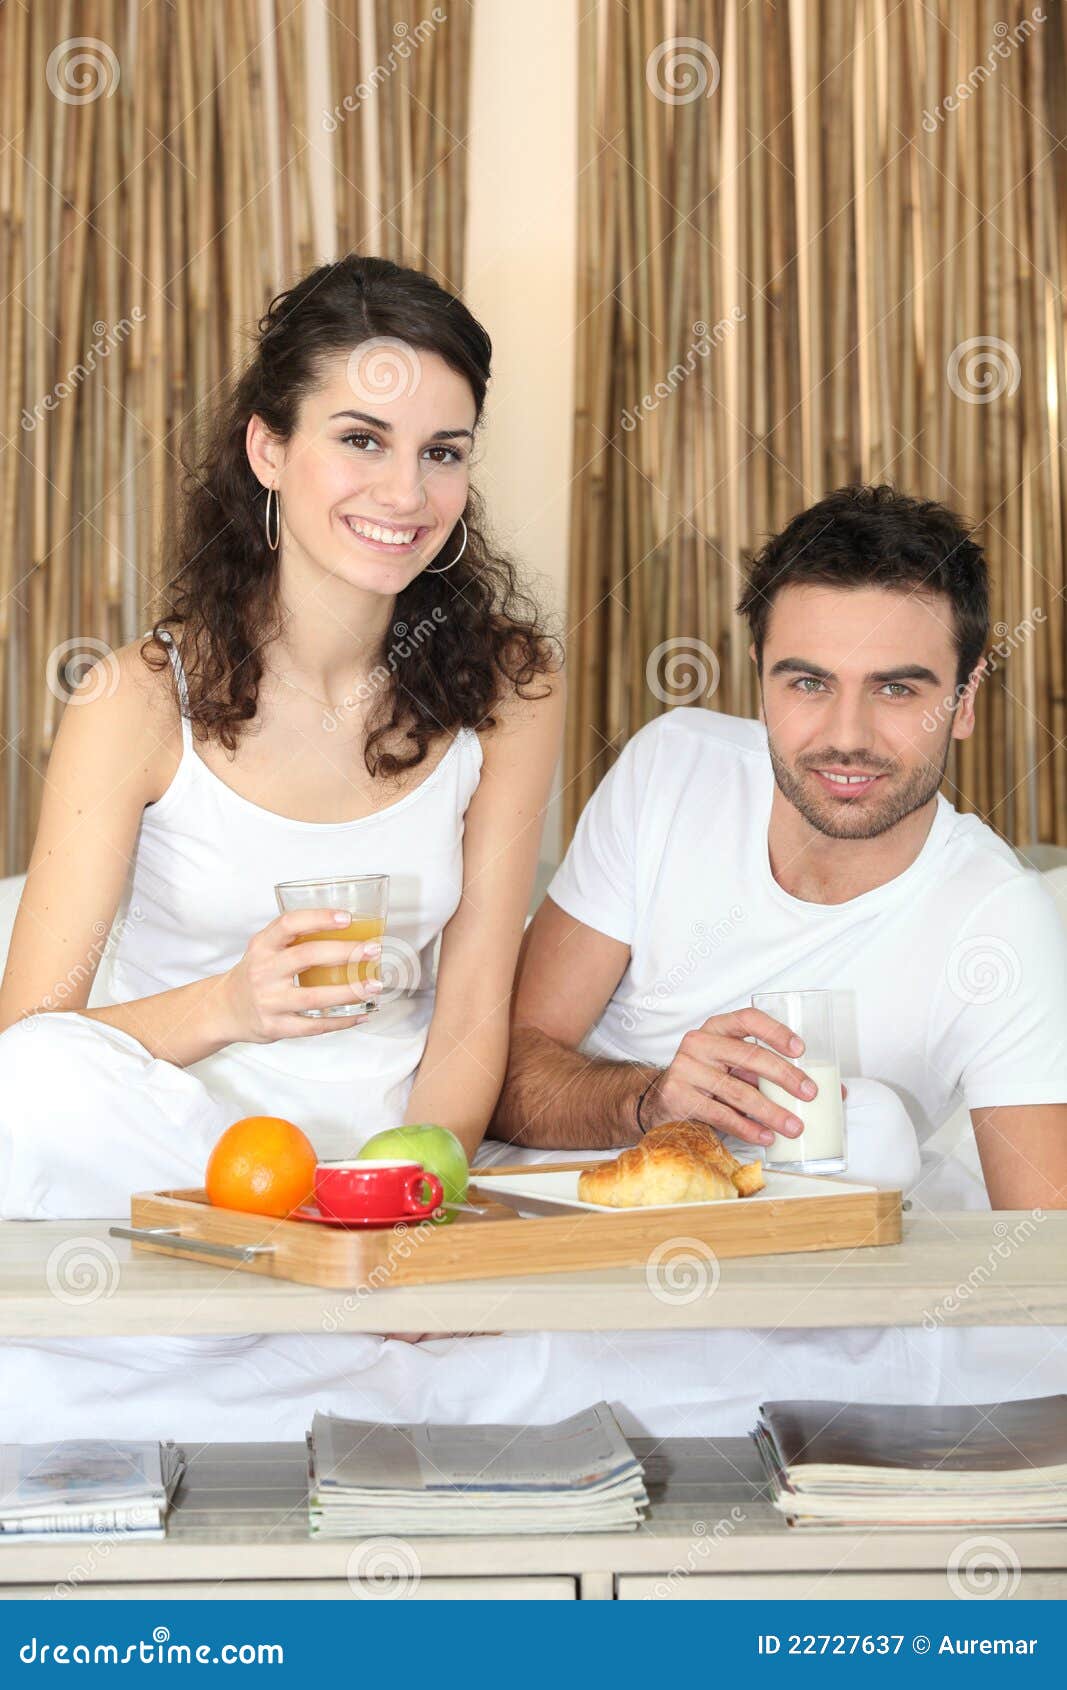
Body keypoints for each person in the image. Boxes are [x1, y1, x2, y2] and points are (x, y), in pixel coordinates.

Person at [0, 254, 567, 1429]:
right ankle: (294, 1337)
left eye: (441, 451)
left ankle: (287, 1336)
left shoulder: (509, 687)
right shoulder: (136, 702)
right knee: (32, 1085)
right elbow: (33, 1044)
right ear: (268, 449)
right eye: (361, 439)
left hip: (385, 1162)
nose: (404, 491)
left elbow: (471, 1013)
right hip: (182, 1163)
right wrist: (227, 1004)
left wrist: (410, 1193)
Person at [486, 483, 1067, 1430]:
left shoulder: (997, 919)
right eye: (806, 683)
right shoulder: (670, 772)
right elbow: (497, 1066)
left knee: (871, 1129)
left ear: (964, 701)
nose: (845, 736)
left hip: (803, 1297)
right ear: (758, 677)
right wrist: (650, 1102)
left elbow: (1044, 1267)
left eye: (897, 688)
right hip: (583, 1251)